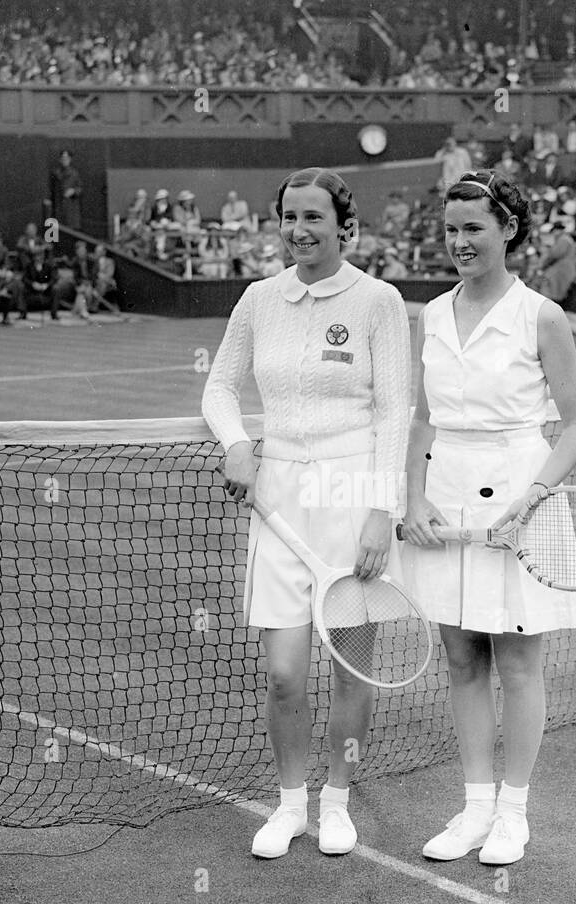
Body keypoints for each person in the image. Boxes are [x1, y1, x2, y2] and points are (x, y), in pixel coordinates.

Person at [201, 167, 412, 859]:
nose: (299, 229)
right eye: (290, 216)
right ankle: (291, 803)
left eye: (314, 217)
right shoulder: (260, 298)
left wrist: (383, 510)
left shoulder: (379, 300)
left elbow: (393, 414)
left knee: (351, 669)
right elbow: (220, 388)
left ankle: (337, 800)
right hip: (279, 499)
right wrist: (237, 444)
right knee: (286, 671)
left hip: (354, 498)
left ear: (345, 226)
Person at [399, 170, 576, 866]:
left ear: (508, 230)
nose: (460, 242)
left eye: (474, 228)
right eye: (451, 229)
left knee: (517, 661)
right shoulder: (431, 313)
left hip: (520, 494)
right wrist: (413, 498)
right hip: (446, 493)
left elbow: (575, 424)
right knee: (460, 657)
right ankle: (476, 807)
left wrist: (533, 495)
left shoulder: (541, 314)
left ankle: (514, 812)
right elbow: (423, 419)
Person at [50, 150, 82, 231]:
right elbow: (51, 190)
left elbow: (80, 188)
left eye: (67, 158)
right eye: (63, 158)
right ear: (60, 159)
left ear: (70, 159)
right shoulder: (55, 173)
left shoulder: (75, 173)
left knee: (71, 232)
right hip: (58, 208)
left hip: (71, 209)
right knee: (58, 233)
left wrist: (73, 191)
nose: (65, 160)